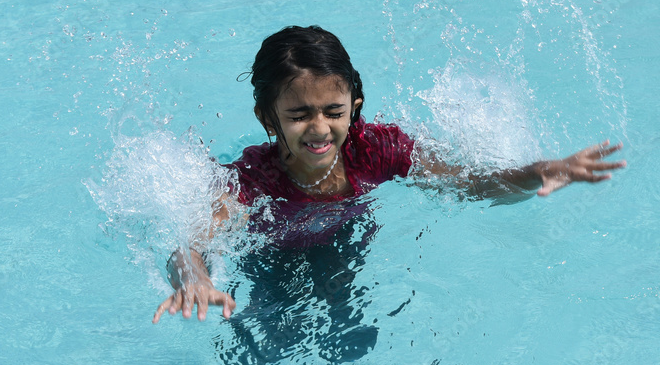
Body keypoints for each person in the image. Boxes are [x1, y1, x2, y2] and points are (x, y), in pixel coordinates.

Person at [153, 25, 625, 324]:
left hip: (345, 244)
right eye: (299, 115)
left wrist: (537, 171)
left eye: (333, 111)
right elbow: (191, 241)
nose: (319, 130)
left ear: (354, 108)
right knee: (264, 342)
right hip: (271, 260)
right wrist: (194, 280)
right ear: (267, 118)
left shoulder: (376, 150)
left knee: (352, 334)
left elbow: (467, 185)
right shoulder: (253, 179)